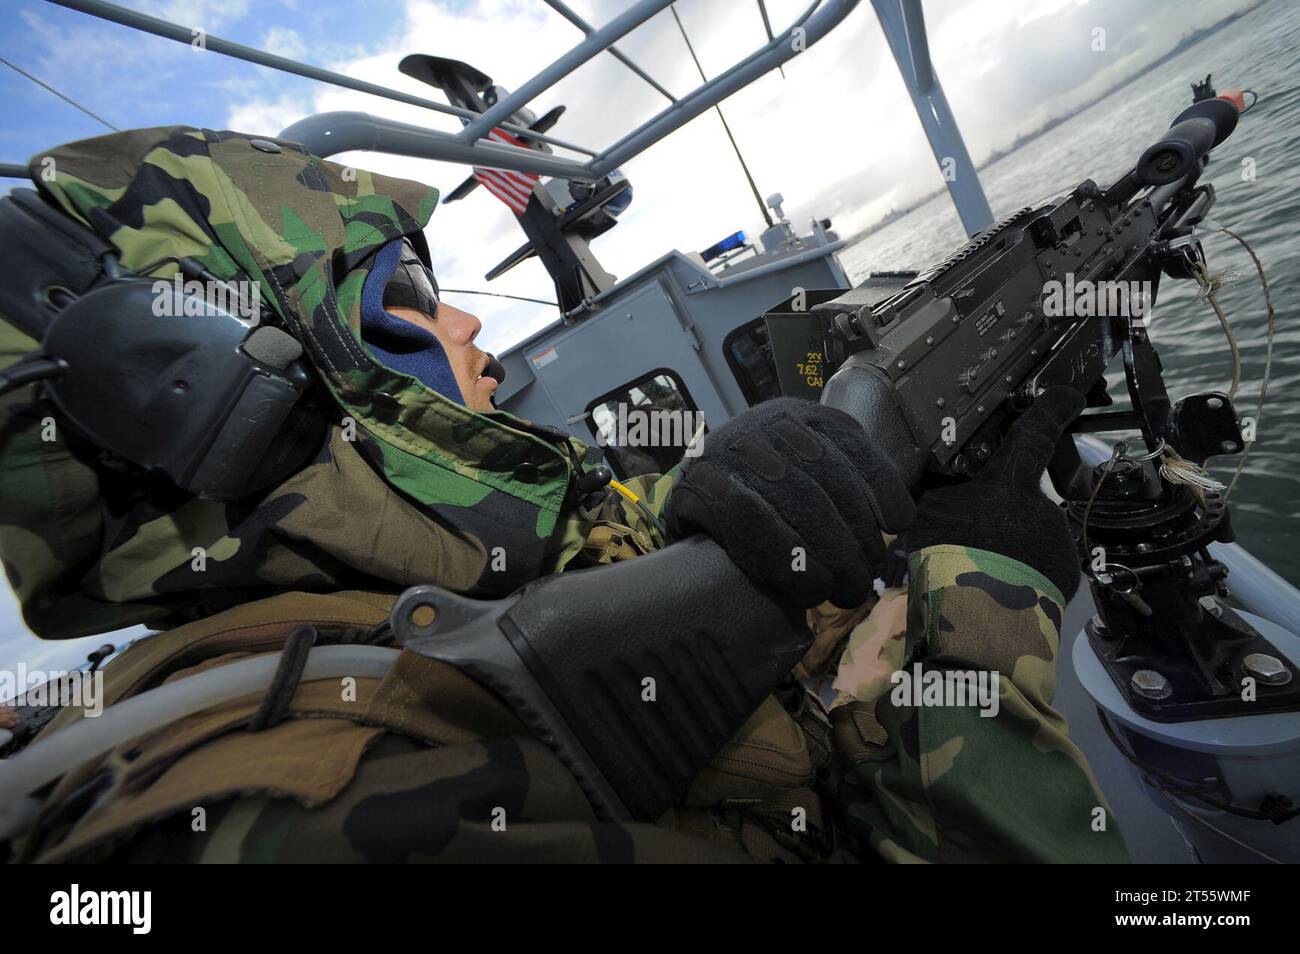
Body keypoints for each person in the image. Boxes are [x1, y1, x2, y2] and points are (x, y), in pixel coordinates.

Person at [0, 126, 1127, 863]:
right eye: (411, 294)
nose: (468, 321)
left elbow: (635, 576)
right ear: (230, 391)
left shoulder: (392, 605)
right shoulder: (302, 814)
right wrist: (978, 596)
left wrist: (748, 489)